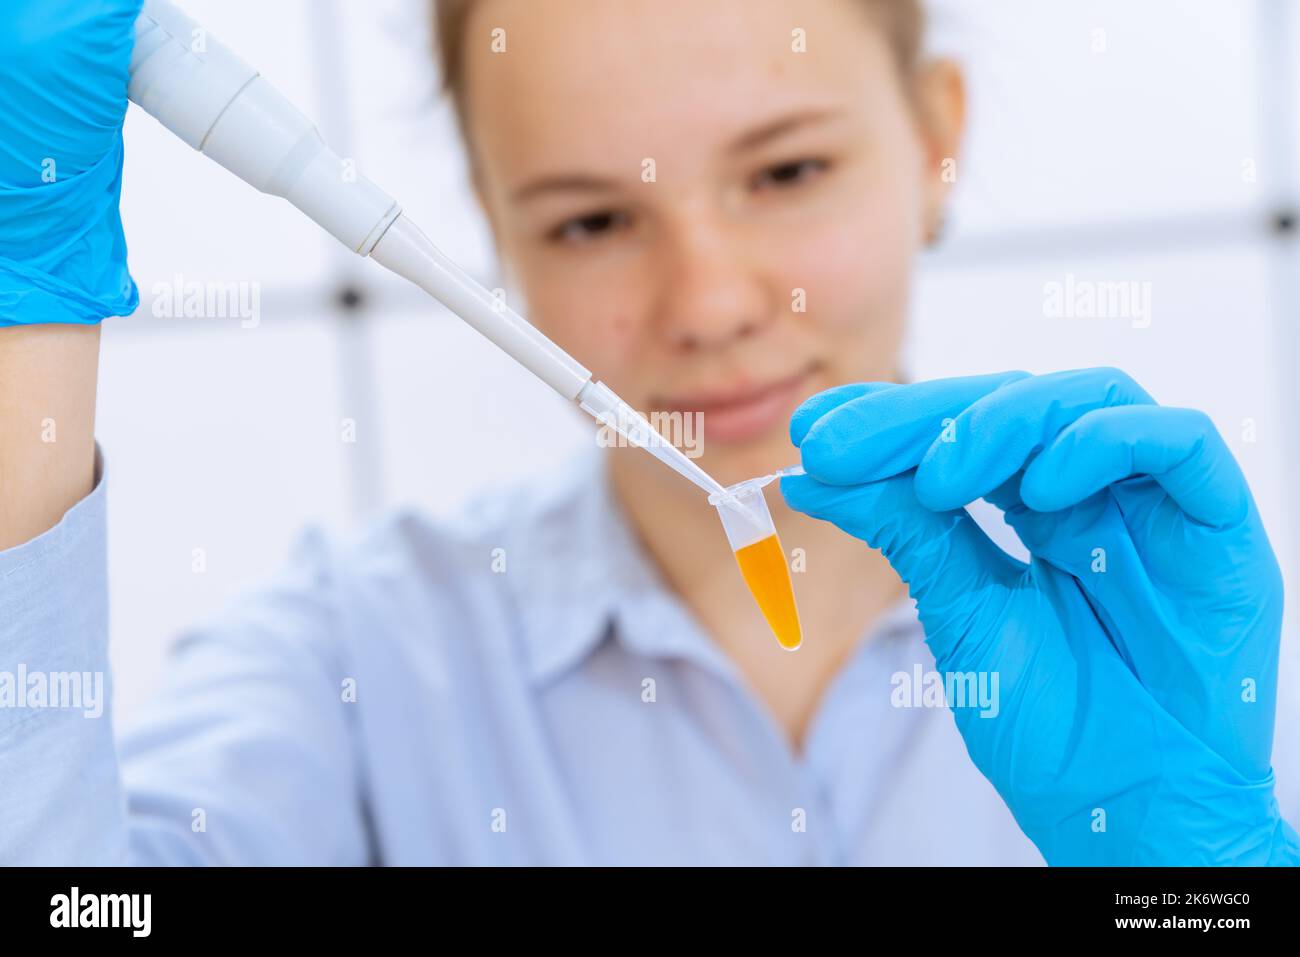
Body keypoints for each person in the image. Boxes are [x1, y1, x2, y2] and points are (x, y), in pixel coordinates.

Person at [1, 0, 1295, 865]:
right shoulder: (359, 656)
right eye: (590, 220)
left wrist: (1203, 882)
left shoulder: (1191, 653)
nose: (713, 304)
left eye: (786, 173)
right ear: (496, 233)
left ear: (937, 138)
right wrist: (29, 296)